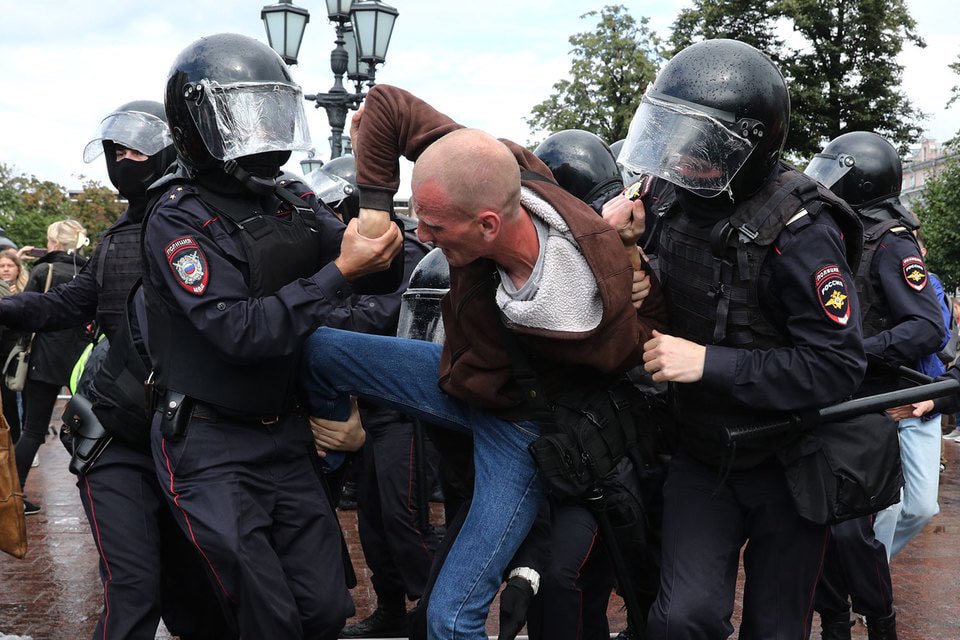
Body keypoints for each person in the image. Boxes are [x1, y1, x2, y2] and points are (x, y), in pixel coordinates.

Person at [299, 83, 667, 639]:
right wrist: (376, 212)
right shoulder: (502, 170)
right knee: (321, 350)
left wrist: (638, 265)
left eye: (435, 229)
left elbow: (646, 345)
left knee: (451, 617)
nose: (419, 237)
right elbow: (386, 107)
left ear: (488, 226)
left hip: (519, 427)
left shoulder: (576, 306)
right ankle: (339, 443)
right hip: (460, 377)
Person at [139, 33, 402, 640]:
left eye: (270, 112)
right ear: (199, 121)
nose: (263, 132)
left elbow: (380, 265)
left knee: (322, 608)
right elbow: (240, 330)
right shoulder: (177, 216)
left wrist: (375, 178)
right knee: (265, 615)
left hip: (284, 435)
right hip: (209, 445)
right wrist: (340, 273)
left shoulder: (290, 196)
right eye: (243, 115)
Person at [611, 39, 866, 639]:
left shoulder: (802, 230)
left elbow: (835, 366)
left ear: (751, 148)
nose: (682, 162)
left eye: (703, 151)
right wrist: (627, 247)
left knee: (775, 629)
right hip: (702, 453)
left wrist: (708, 363)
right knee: (683, 619)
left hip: (785, 462)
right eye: (676, 141)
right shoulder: (670, 196)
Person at [0, 99, 237, 640]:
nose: (123, 160)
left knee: (204, 581)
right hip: (119, 432)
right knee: (132, 582)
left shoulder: (209, 224)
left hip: (196, 435)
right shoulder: (116, 239)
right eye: (115, 151)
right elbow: (68, 304)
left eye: (136, 149)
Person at [804, 131, 945, 640]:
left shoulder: (890, 239)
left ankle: (879, 619)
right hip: (826, 398)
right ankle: (834, 622)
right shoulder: (834, 230)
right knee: (817, 524)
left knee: (850, 530)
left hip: (868, 403)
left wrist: (858, 349)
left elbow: (927, 327)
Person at [304, 155, 440, 638]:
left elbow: (375, 317)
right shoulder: (345, 257)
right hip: (367, 406)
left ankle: (437, 605)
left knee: (405, 518)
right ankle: (390, 606)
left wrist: (309, 317)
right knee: (373, 519)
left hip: (403, 406)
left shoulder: (398, 253)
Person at [11, 219, 91, 515]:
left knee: (32, 430)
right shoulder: (87, 271)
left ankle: (14, 497)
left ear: (54, 241)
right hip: (80, 359)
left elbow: (24, 311)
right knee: (91, 426)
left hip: (43, 357)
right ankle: (98, 490)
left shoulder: (45, 271)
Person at [0, 248, 28, 442]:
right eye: (1, 266)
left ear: (18, 269)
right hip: (3, 353)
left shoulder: (27, 289)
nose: (5, 269)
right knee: (9, 401)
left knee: (24, 399)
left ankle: (23, 442)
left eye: (10, 265)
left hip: (22, 352)